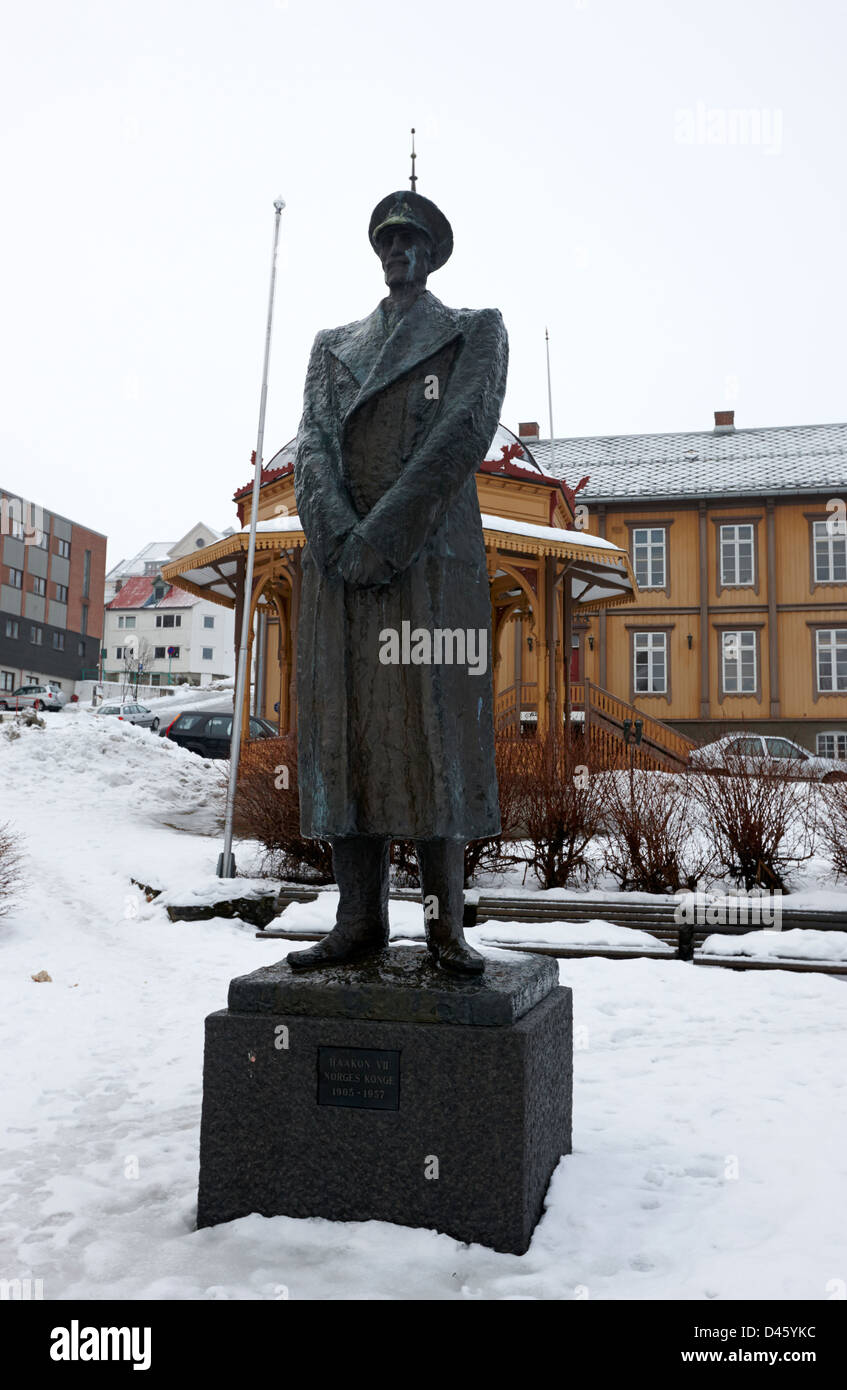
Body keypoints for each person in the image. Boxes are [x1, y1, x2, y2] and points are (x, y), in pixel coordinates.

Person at [290, 190, 508, 975]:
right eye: (386, 236)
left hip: (426, 561)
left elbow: (461, 434)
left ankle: (445, 923)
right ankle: (358, 921)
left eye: (411, 236)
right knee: (347, 733)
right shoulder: (331, 345)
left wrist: (383, 536)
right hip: (340, 565)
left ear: (434, 250)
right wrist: (339, 536)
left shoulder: (472, 331)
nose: (396, 247)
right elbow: (311, 443)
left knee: (432, 730)